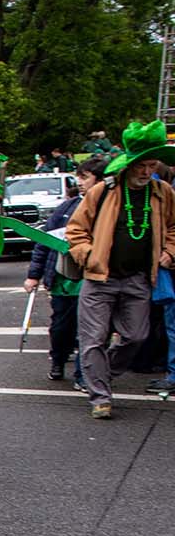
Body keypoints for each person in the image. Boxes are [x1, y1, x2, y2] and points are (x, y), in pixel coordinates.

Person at [65, 121, 175, 417]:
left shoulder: (163, 191)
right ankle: (100, 397)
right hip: (100, 278)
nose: (146, 171)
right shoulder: (102, 191)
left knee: (136, 337)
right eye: (141, 165)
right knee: (93, 338)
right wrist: (89, 256)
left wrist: (169, 252)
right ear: (129, 164)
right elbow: (75, 231)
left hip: (138, 278)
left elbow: (174, 227)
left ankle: (98, 374)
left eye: (152, 165)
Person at [25, 159, 102, 384]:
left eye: (85, 177)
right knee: (61, 327)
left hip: (93, 278)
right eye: (79, 176)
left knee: (91, 330)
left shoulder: (108, 207)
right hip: (63, 279)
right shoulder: (67, 207)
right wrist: (33, 275)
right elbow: (44, 241)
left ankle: (84, 375)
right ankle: (58, 360)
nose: (80, 182)